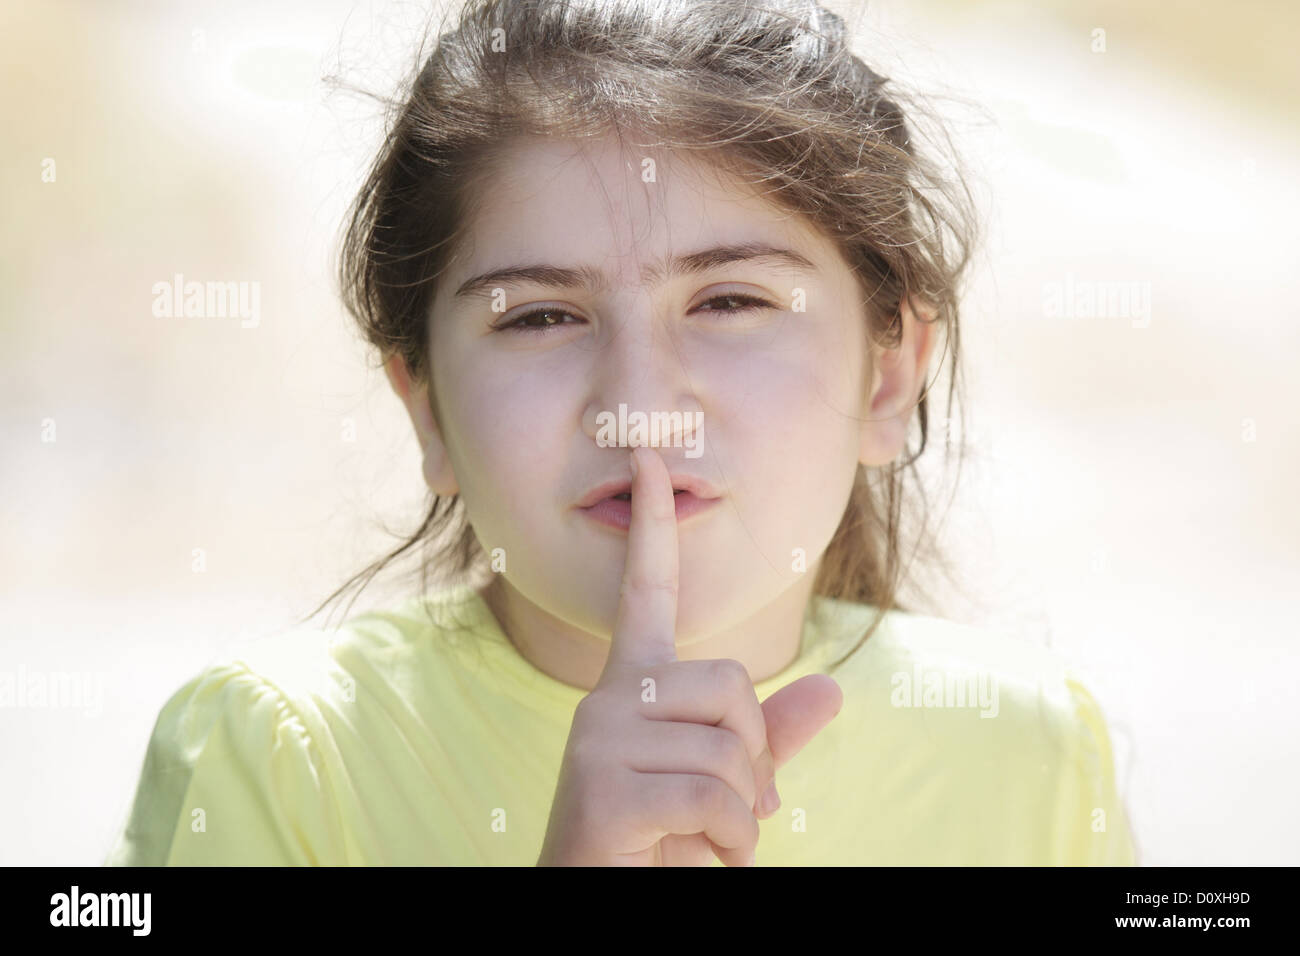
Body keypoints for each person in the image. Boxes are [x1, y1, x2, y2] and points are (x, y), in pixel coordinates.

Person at [105, 0, 1137, 866]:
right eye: (540, 317)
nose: (639, 402)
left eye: (731, 300)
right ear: (425, 407)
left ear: (890, 371)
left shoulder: (1031, 750)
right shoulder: (278, 754)